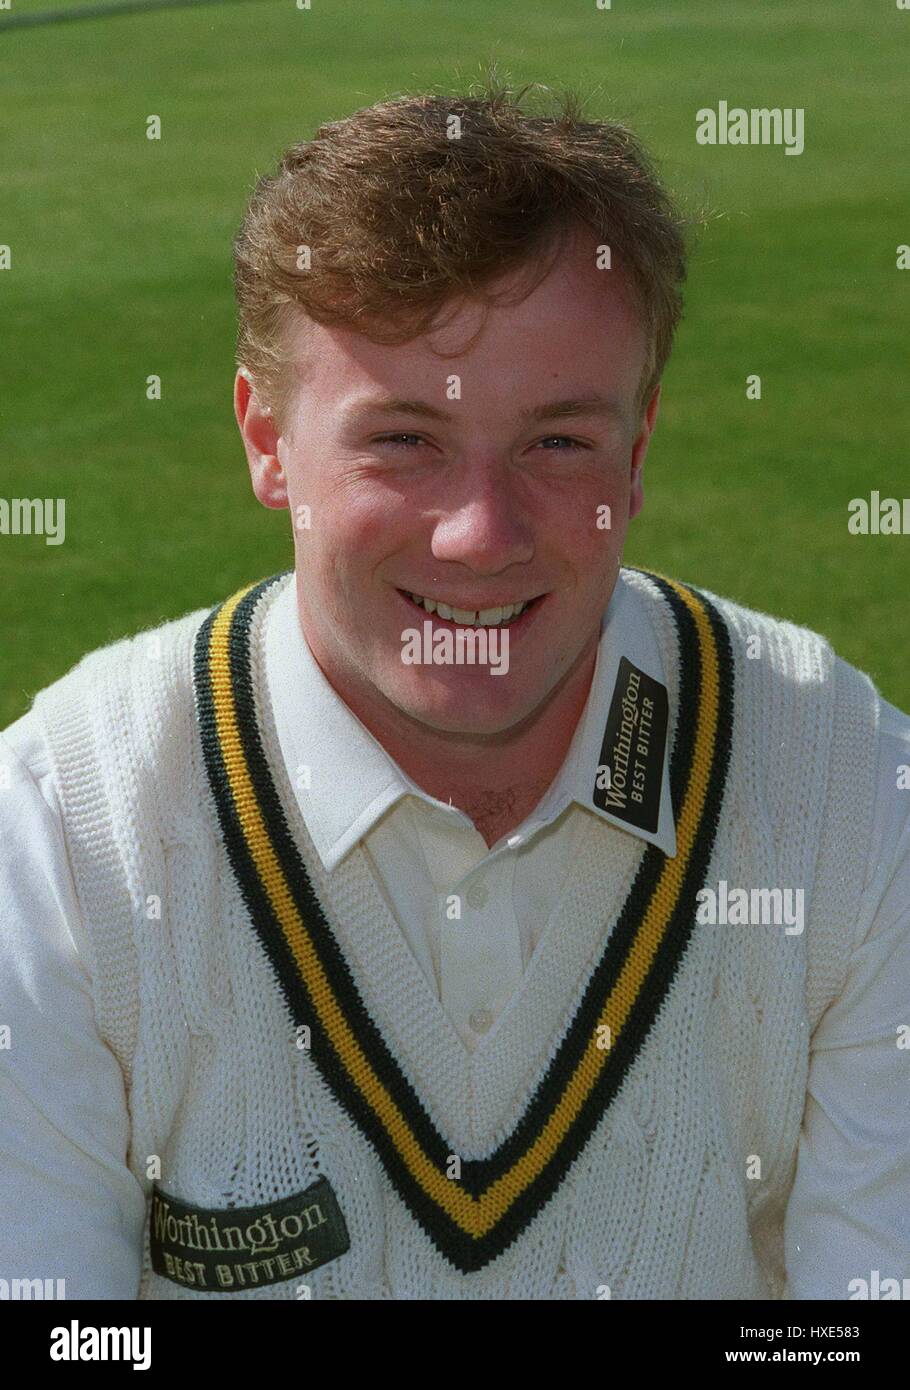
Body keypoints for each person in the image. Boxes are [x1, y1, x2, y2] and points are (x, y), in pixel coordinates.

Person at [2, 84, 908, 1301]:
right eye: (402, 441)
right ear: (266, 440)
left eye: (558, 441)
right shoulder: (62, 828)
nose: (480, 534)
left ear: (636, 455)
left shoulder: (848, 782)